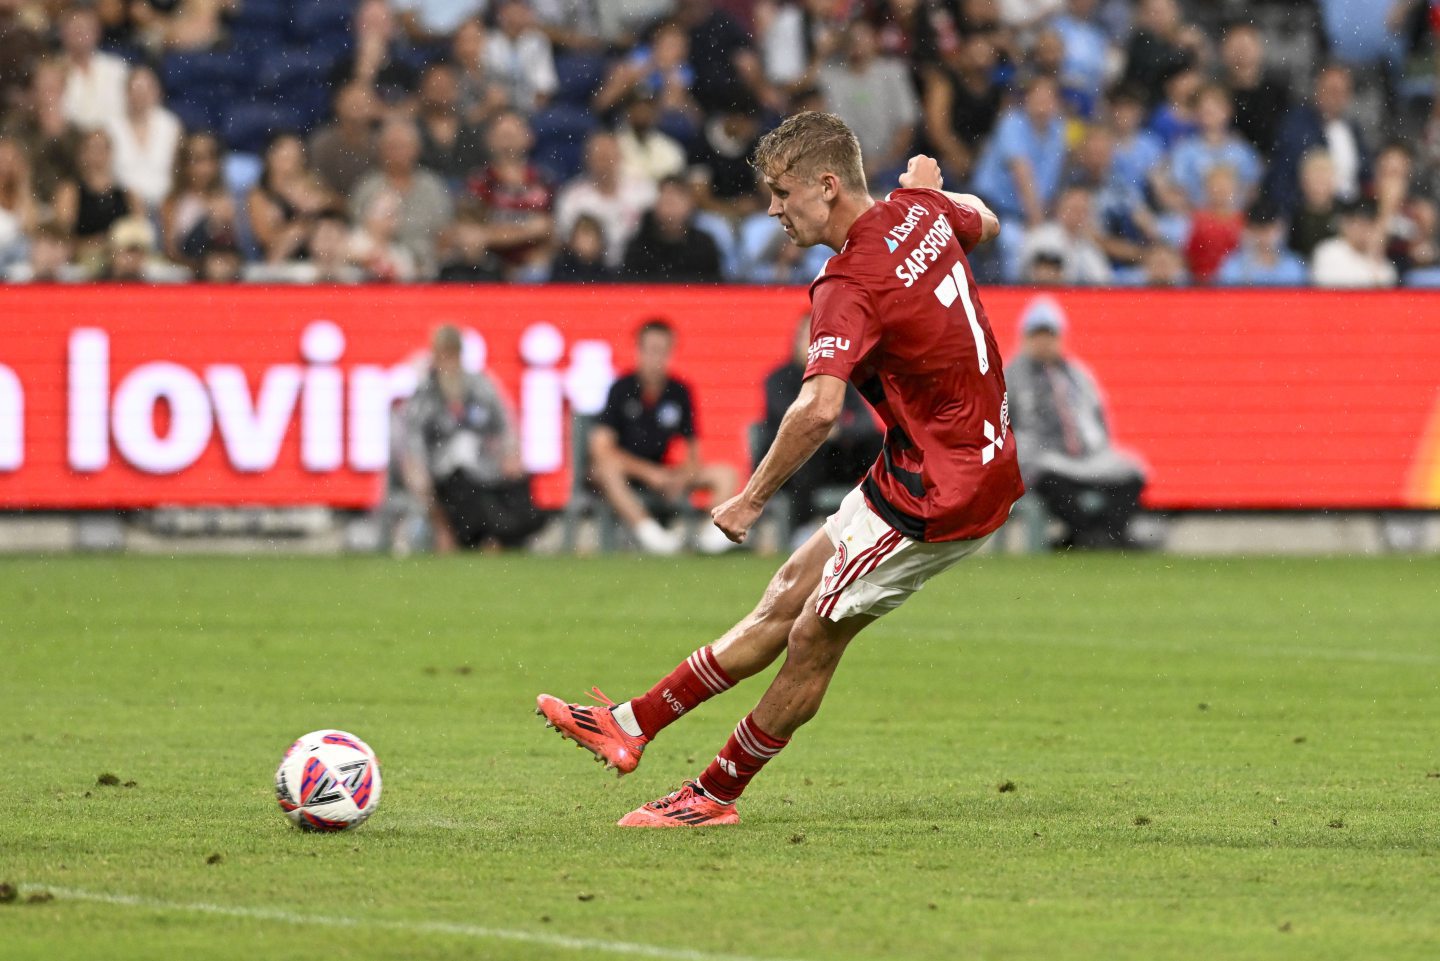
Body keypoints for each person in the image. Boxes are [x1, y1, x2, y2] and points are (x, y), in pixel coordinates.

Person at [536, 112, 1021, 827]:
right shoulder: (916, 213)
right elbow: (987, 219)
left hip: (942, 492)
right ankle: (629, 725)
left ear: (827, 187)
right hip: (936, 457)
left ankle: (713, 794)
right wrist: (925, 197)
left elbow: (819, 409)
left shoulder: (847, 282)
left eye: (781, 192)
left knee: (813, 636)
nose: (772, 210)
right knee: (787, 591)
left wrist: (750, 497)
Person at [587, 319, 739, 556]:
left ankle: (710, 539)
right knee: (605, 468)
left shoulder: (679, 391)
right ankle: (650, 534)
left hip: (664, 471)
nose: (656, 358)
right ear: (638, 351)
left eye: (663, 351)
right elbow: (601, 448)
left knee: (726, 474)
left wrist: (681, 476)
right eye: (651, 350)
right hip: (628, 472)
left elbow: (693, 452)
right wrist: (649, 473)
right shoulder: (620, 388)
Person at [1004, 301, 1146, 549]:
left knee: (1132, 474)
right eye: (1038, 335)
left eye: (1050, 335)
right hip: (1042, 458)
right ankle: (1093, 537)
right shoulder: (1012, 376)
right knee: (1051, 480)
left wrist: (1099, 450)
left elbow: (1098, 418)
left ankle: (1097, 537)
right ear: (1025, 338)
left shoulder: (1078, 374)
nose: (1044, 342)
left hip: (1088, 458)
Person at [399, 325, 542, 552]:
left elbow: (505, 423)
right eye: (443, 354)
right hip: (445, 475)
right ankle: (486, 538)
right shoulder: (425, 394)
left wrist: (511, 454)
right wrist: (419, 477)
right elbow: (412, 442)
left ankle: (502, 535)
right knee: (463, 486)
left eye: (452, 353)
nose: (448, 361)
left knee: (518, 487)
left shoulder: (481, 385)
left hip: (487, 467)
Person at [760, 314, 881, 541]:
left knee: (878, 443)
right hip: (790, 467)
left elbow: (865, 423)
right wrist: (822, 427)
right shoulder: (777, 379)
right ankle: (803, 528)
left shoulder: (839, 377)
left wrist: (836, 431)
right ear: (795, 340)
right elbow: (787, 420)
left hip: (835, 460)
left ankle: (885, 518)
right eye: (810, 337)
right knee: (805, 449)